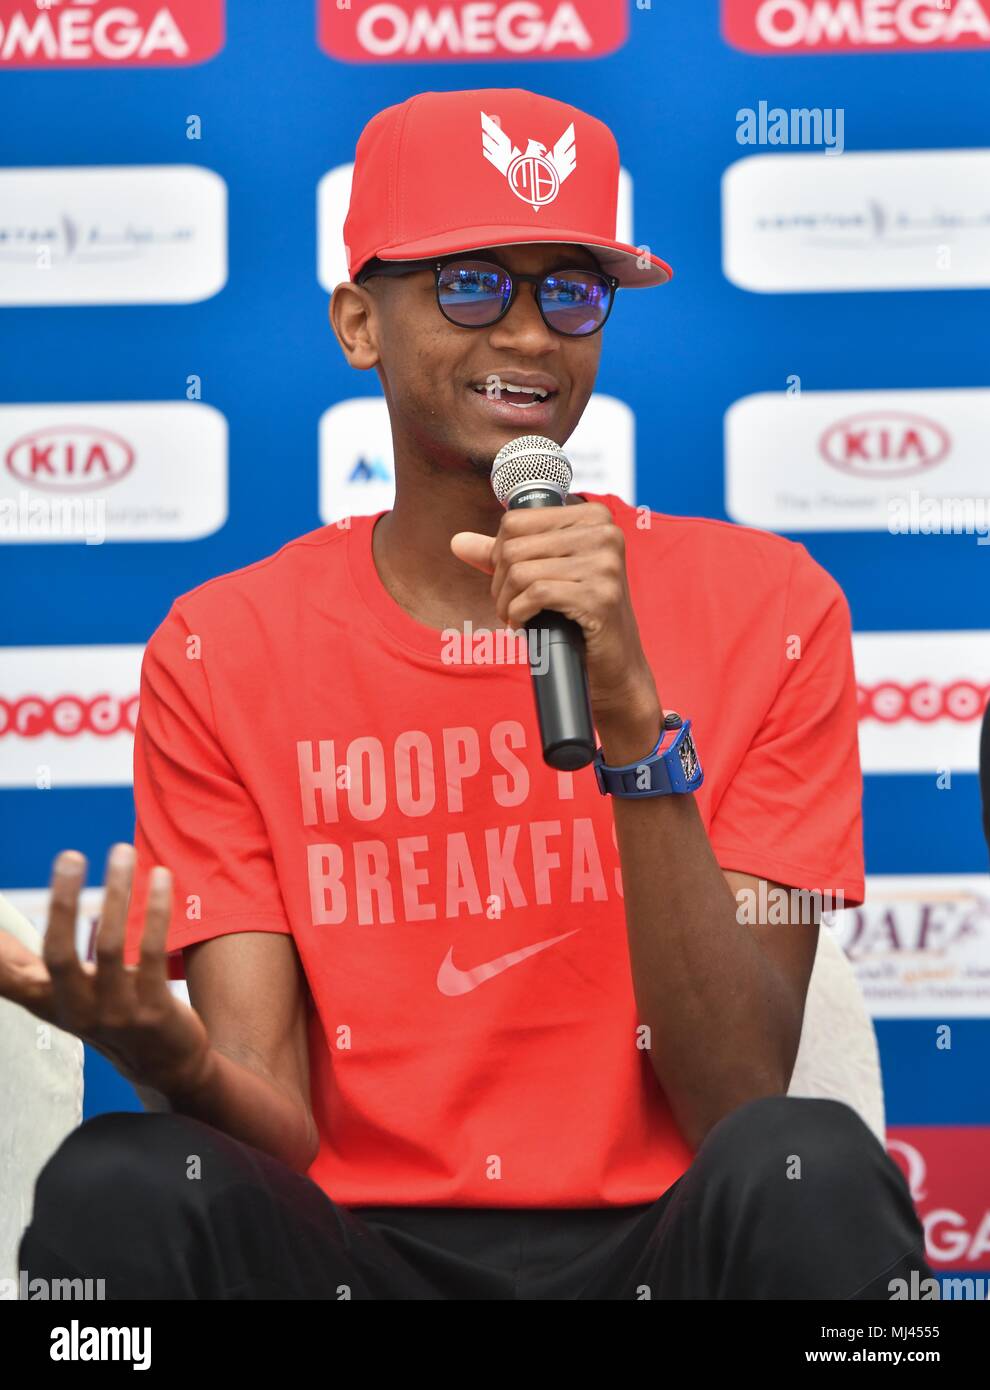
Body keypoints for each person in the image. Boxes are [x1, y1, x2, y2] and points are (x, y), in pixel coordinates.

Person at [8, 87, 932, 1300]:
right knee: (119, 1176)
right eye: (471, 284)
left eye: (570, 288)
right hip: (350, 1261)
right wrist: (172, 1060)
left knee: (810, 1161)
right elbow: (272, 1125)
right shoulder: (222, 644)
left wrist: (633, 728)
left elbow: (739, 1096)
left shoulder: (774, 607)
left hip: (658, 1254)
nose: (532, 333)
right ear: (358, 322)